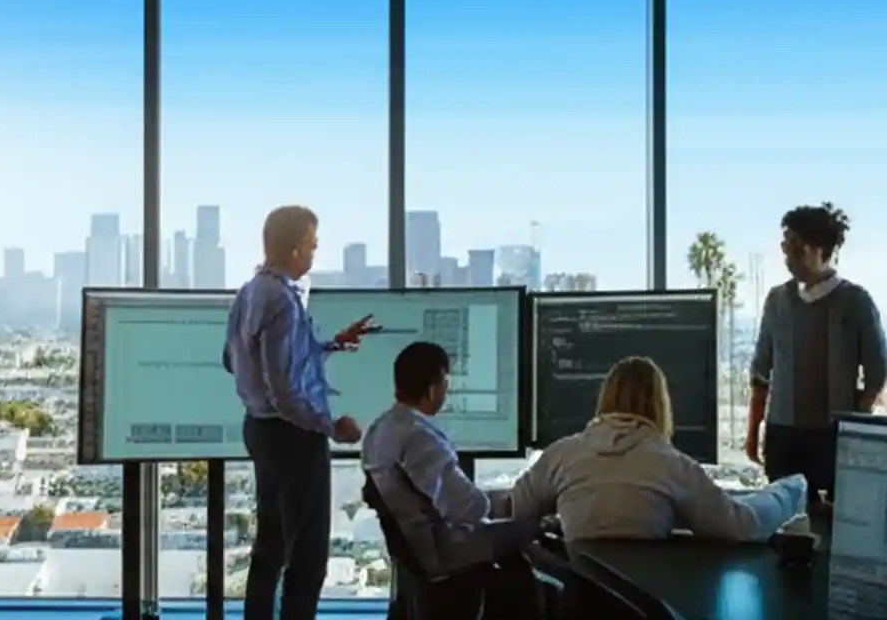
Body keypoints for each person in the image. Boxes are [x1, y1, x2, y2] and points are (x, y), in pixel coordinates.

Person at [222, 204, 376, 620]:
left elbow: (233, 359)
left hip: (260, 429)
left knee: (270, 546)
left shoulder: (249, 293)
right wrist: (330, 426)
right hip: (292, 437)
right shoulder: (283, 302)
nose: (313, 253)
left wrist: (329, 344)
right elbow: (285, 389)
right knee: (307, 556)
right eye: (311, 245)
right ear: (293, 250)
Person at [508, 356, 807, 543]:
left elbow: (513, 509)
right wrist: (791, 488)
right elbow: (744, 526)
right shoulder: (672, 466)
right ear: (661, 406)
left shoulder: (562, 455)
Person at [362, 342, 543, 616]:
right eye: (446, 383)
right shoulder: (419, 437)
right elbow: (469, 509)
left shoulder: (379, 430)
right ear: (435, 388)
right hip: (446, 549)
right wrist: (514, 502)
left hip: (418, 552)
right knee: (533, 532)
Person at [746, 203, 886, 511]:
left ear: (822, 248)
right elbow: (760, 371)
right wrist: (754, 429)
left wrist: (853, 423)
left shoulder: (856, 302)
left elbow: (876, 374)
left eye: (797, 246)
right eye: (786, 245)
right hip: (783, 434)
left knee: (842, 520)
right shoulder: (777, 300)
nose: (788, 255)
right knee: (786, 518)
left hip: (833, 436)